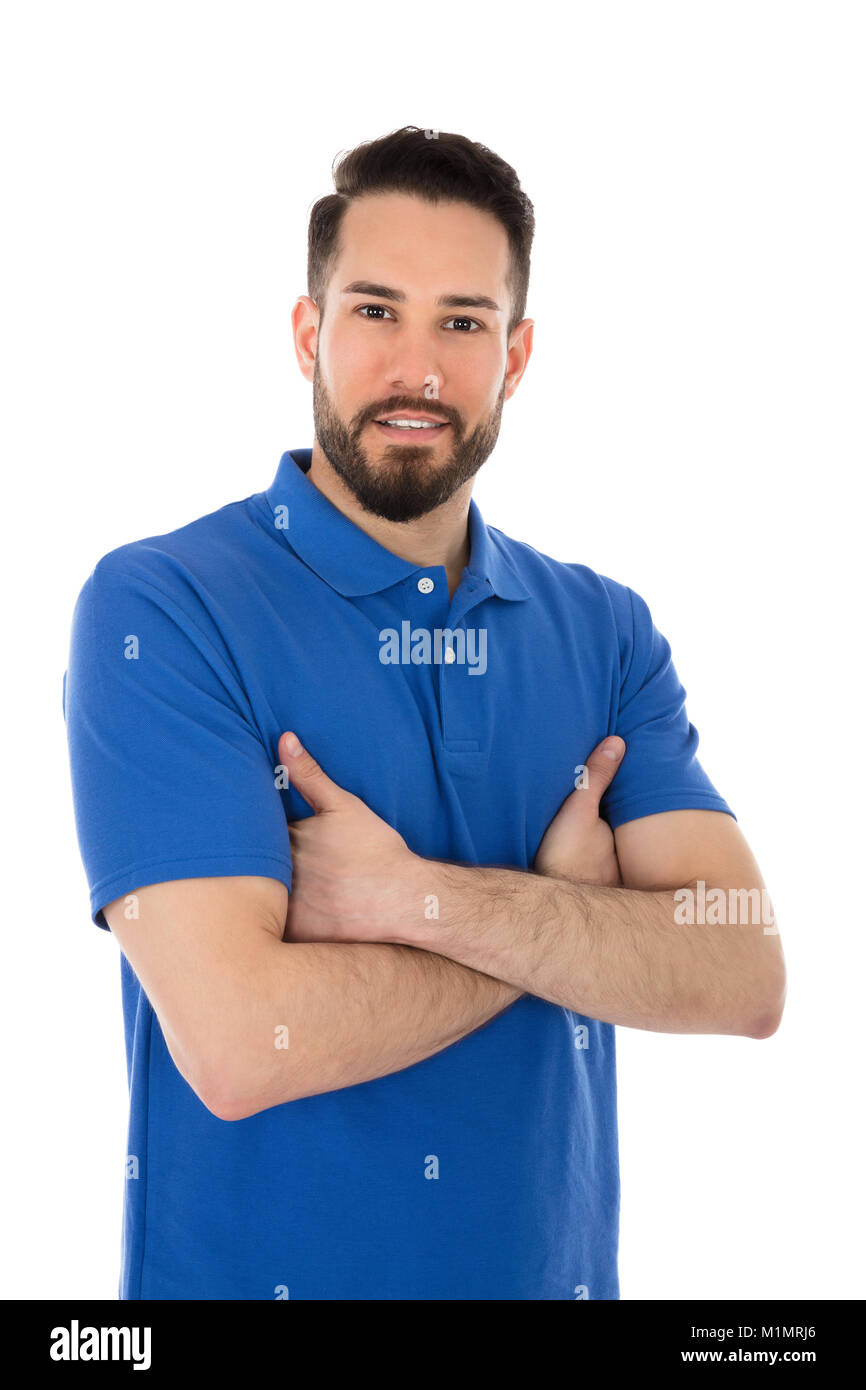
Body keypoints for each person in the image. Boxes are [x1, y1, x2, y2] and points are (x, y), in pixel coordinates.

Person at [63, 125, 785, 1301]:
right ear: (308, 332)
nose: (418, 368)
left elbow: (741, 971)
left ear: (516, 354)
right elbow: (241, 1044)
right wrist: (563, 926)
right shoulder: (165, 605)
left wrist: (418, 901)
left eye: (461, 321)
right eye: (373, 311)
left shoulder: (603, 630)